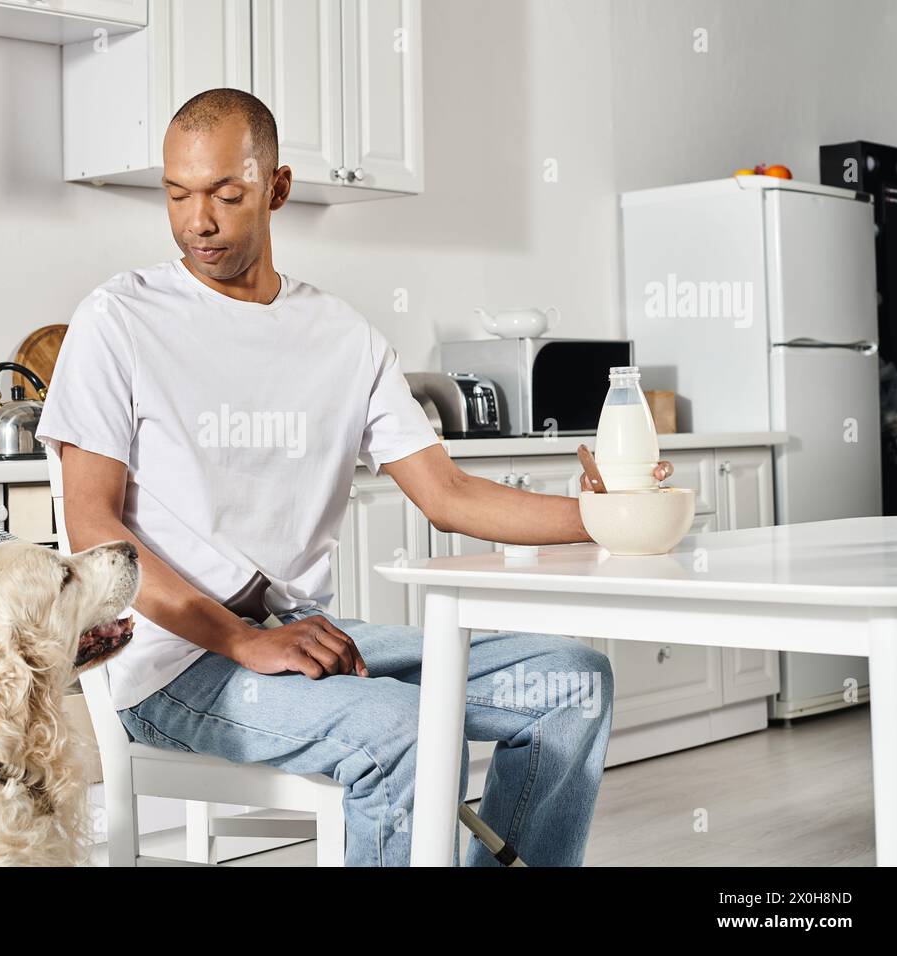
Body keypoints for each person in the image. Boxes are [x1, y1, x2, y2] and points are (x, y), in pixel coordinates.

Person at [34, 88, 673, 866]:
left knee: (573, 683)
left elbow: (449, 495)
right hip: (176, 665)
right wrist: (239, 640)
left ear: (277, 188)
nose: (196, 221)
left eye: (226, 194)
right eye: (176, 194)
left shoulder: (343, 337)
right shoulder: (118, 320)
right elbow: (95, 528)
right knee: (398, 729)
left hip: (308, 643)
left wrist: (607, 515)